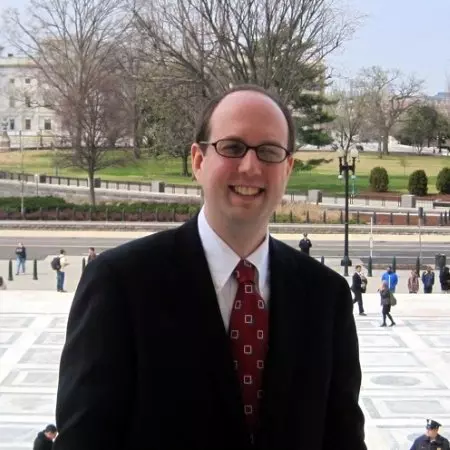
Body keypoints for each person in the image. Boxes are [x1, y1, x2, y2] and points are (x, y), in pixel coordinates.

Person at [54, 84, 366, 450]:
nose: (250, 167)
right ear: (198, 161)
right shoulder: (121, 284)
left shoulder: (325, 297)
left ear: (288, 168)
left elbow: (342, 438)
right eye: (232, 148)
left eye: (268, 151)